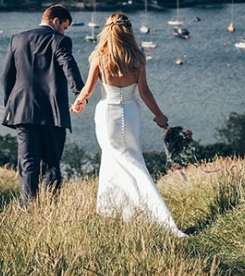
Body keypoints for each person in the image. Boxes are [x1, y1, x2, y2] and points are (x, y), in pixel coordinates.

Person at [72, 12, 186, 237]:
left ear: (106, 30)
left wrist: (79, 102)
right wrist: (160, 116)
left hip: (108, 114)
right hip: (131, 114)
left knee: (112, 160)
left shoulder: (100, 57)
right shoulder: (138, 58)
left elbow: (88, 89)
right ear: (129, 31)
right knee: (134, 159)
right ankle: (131, 212)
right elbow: (143, 92)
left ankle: (112, 213)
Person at [2, 4, 85, 206]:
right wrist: (80, 94)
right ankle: (50, 207)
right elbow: (69, 66)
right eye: (64, 27)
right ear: (55, 21)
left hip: (22, 111)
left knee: (27, 162)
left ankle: (27, 208)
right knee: (51, 162)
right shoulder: (59, 40)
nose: (64, 31)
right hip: (52, 112)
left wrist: (11, 106)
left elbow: (6, 77)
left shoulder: (17, 39)